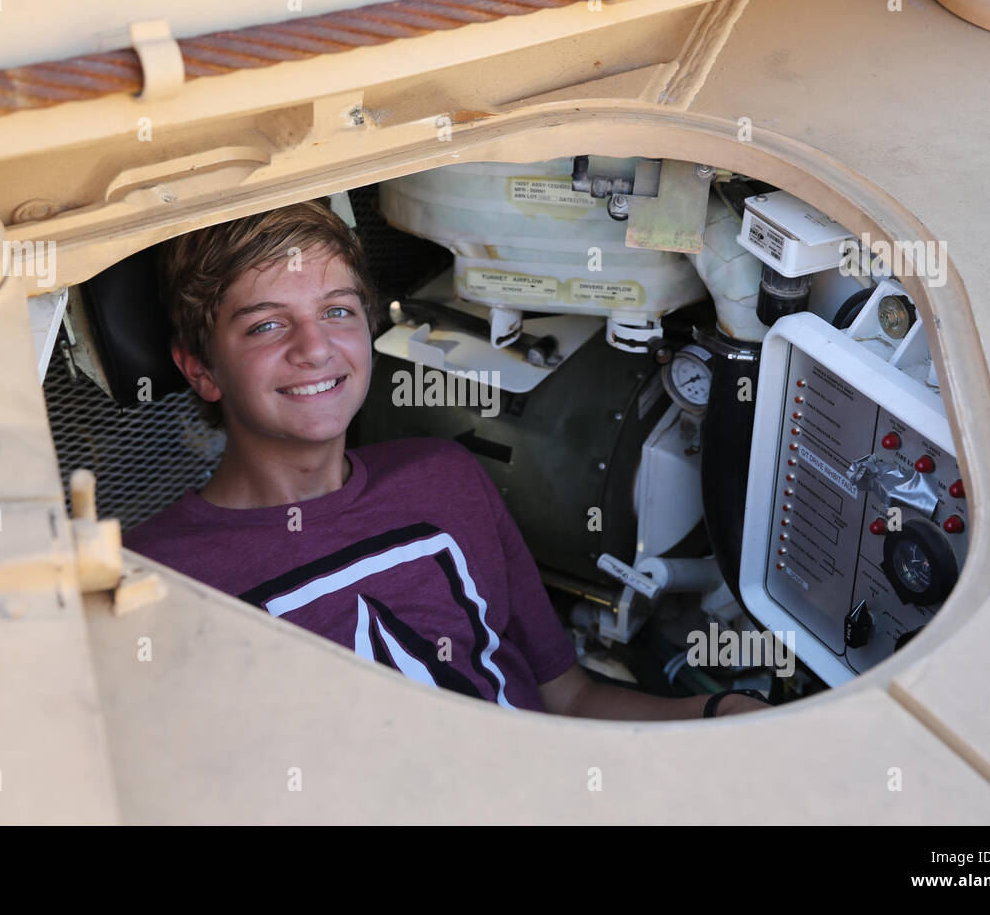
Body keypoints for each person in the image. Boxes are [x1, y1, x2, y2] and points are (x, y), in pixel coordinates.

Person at [123, 200, 770, 720]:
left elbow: (567, 699)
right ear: (201, 369)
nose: (315, 349)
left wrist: (714, 712)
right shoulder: (151, 577)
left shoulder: (444, 477)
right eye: (266, 325)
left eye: (338, 311)